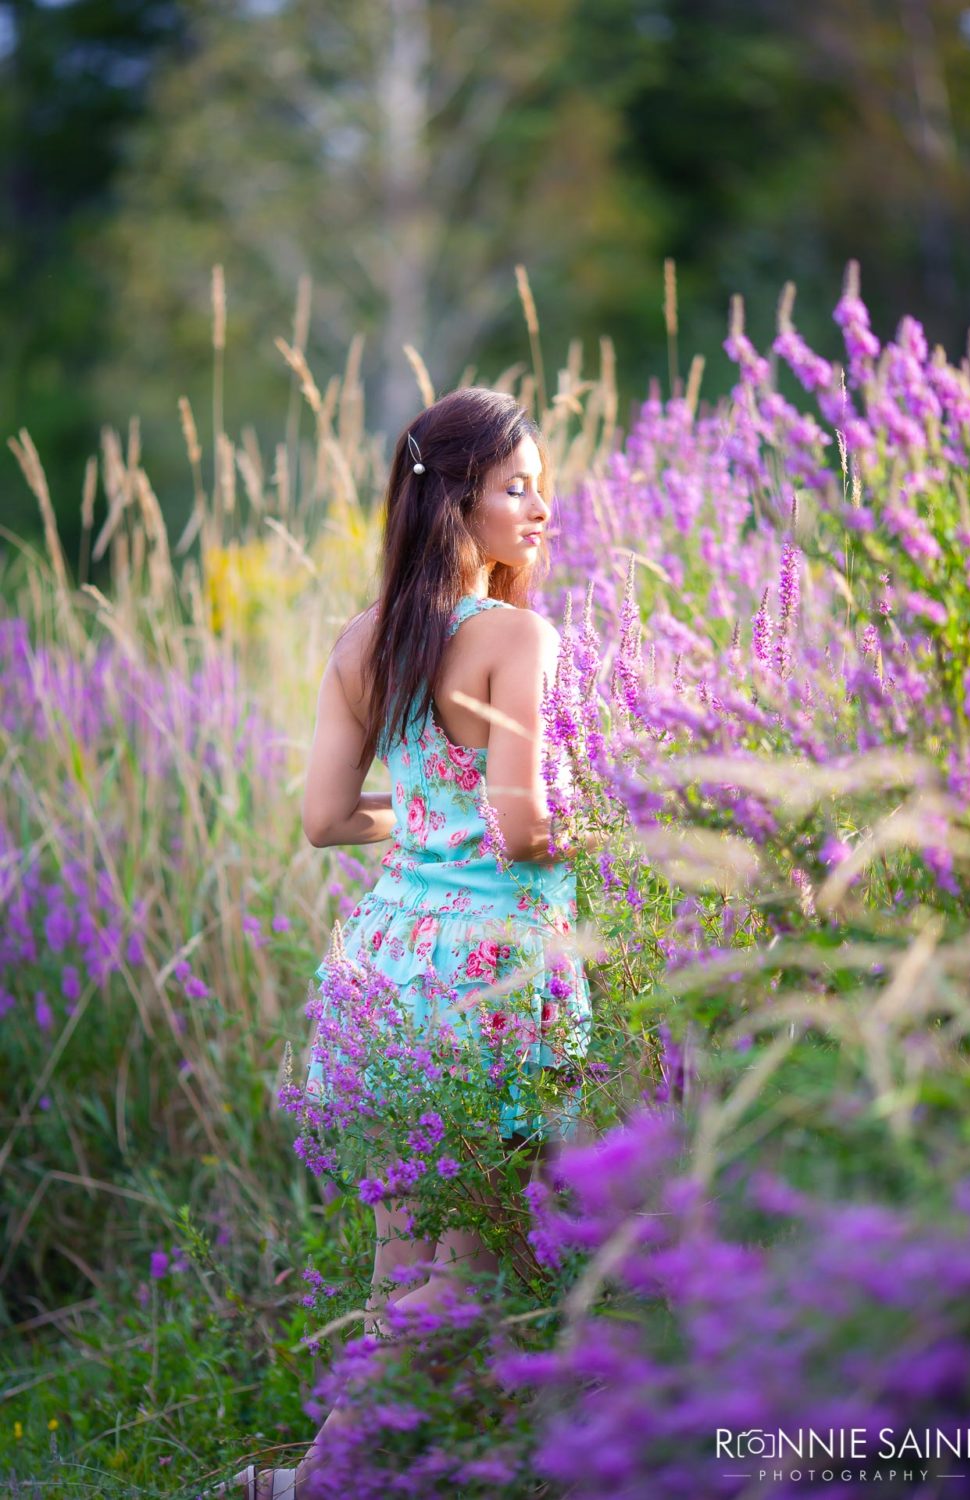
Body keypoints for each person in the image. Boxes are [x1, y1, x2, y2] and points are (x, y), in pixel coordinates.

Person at [227, 386, 592, 1499]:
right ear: (458, 503)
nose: (539, 507)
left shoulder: (360, 641)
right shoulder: (517, 637)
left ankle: (410, 1470)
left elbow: (328, 819)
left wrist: (429, 822)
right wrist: (622, 823)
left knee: (405, 1265)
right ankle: (329, 1478)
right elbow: (525, 827)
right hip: (488, 971)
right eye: (515, 487)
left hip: (384, 968)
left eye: (539, 484)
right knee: (476, 1262)